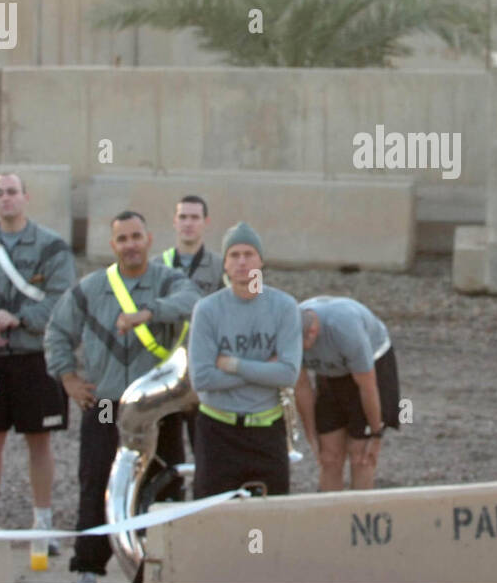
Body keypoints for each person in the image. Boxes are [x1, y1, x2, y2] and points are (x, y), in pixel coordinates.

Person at [45, 210, 198, 583]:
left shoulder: (170, 279)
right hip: (104, 406)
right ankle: (88, 566)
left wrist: (150, 312)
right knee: (96, 479)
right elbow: (56, 332)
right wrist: (67, 379)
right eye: (122, 239)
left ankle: (159, 565)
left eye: (136, 237)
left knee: (164, 482)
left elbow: (193, 302)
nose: (130, 245)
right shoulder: (91, 287)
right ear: (113, 245)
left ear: (149, 240)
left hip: (158, 407)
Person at [0, 173, 75, 545]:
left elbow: (63, 298)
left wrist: (20, 319)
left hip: (36, 357)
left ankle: (43, 525)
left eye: (12, 192)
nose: (7, 199)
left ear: (26, 196)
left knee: (39, 442)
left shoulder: (53, 248)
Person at [189, 222, 301, 499]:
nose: (242, 262)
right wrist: (265, 370)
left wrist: (232, 364)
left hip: (266, 431)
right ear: (224, 264)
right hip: (217, 431)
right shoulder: (207, 310)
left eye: (249, 254)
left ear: (261, 261)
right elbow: (201, 378)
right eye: (234, 255)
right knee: (212, 516)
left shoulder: (284, 307)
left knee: (270, 518)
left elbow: (288, 374)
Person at [294, 297, 400, 491]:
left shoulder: (345, 330)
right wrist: (312, 434)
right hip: (330, 370)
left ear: (312, 332)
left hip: (371, 367)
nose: (295, 350)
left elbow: (367, 386)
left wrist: (376, 435)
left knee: (362, 457)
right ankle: (329, 518)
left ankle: (359, 516)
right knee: (328, 457)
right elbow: (302, 387)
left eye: (299, 345)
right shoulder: (287, 333)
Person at [160, 194, 225, 449]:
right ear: (174, 222)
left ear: (205, 222)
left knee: (207, 448)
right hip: (165, 369)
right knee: (165, 449)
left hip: (204, 370)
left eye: (194, 217)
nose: (188, 223)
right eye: (183, 217)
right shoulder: (157, 266)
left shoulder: (221, 268)